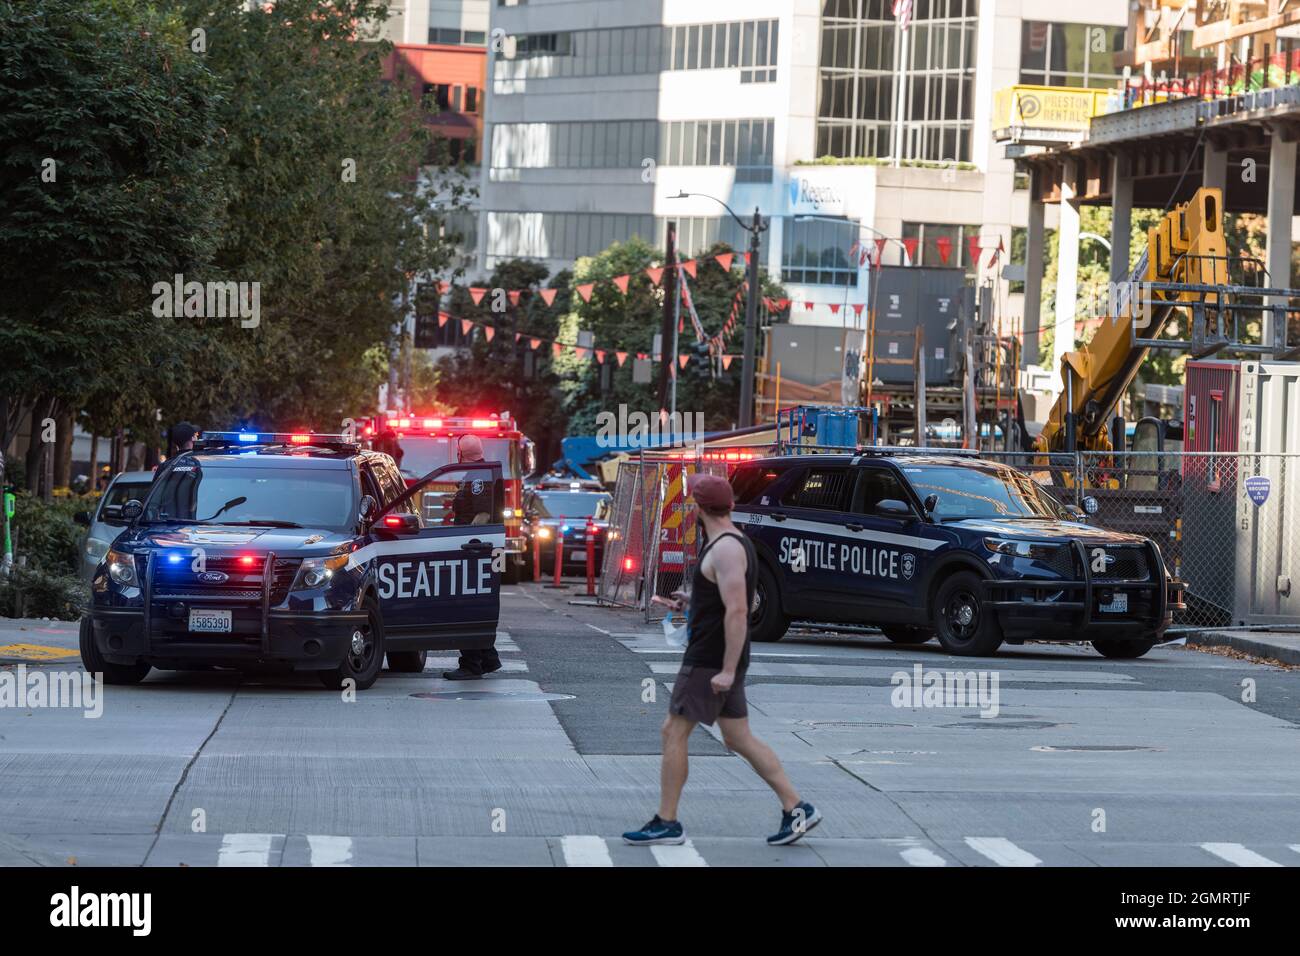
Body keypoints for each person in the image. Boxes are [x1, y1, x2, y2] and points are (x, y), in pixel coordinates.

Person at [623, 473, 821, 847]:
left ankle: (667, 821)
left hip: (711, 658)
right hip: (718, 655)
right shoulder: (729, 542)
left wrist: (728, 670)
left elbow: (738, 611)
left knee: (673, 730)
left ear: (698, 508)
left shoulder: (727, 548)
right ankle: (797, 808)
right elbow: (722, 601)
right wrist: (689, 602)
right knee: (738, 737)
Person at [442, 434, 503, 681]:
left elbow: (482, 515)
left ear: (460, 454)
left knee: (466, 606)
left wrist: (468, 543)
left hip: (474, 552)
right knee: (475, 604)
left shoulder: (477, 477)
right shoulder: (480, 473)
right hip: (478, 551)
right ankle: (488, 658)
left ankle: (471, 664)